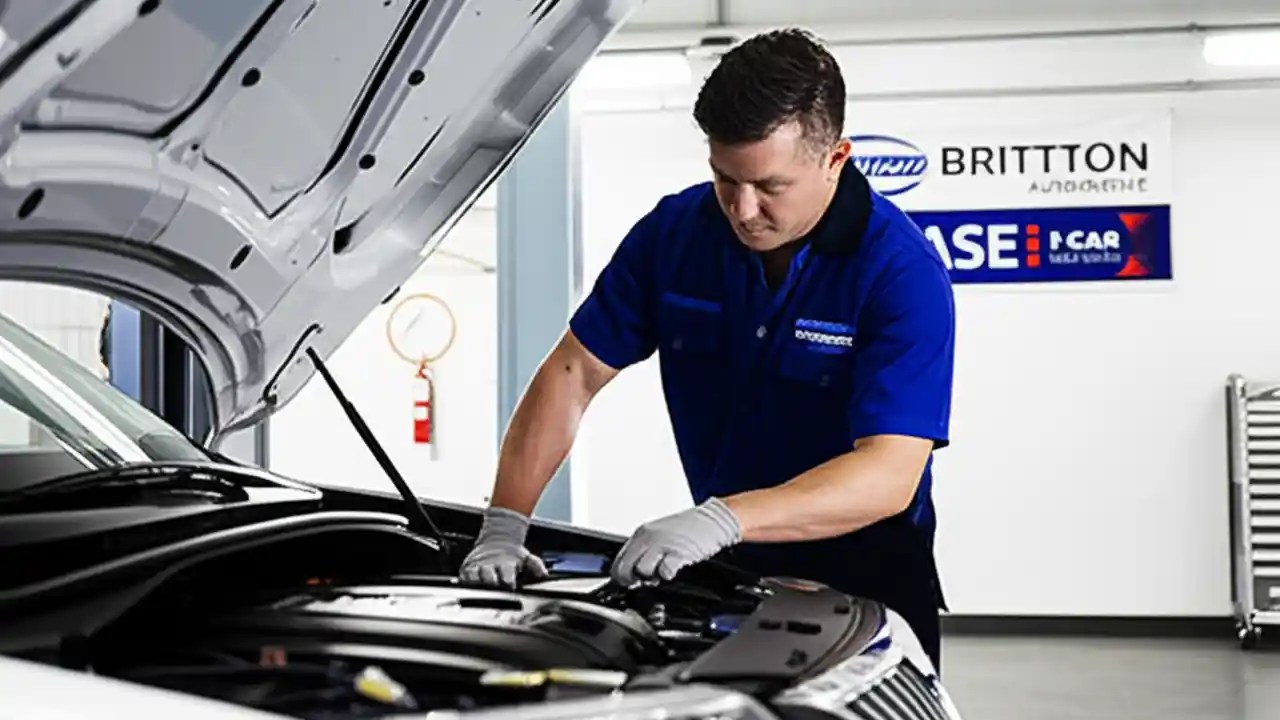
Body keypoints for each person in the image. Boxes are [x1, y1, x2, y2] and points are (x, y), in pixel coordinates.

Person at [459, 28, 956, 671]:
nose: (743, 209)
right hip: (727, 573)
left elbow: (889, 474)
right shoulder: (674, 235)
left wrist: (719, 518)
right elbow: (573, 372)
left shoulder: (899, 272)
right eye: (726, 178)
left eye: (770, 186)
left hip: (868, 581)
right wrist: (505, 522)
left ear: (835, 158)